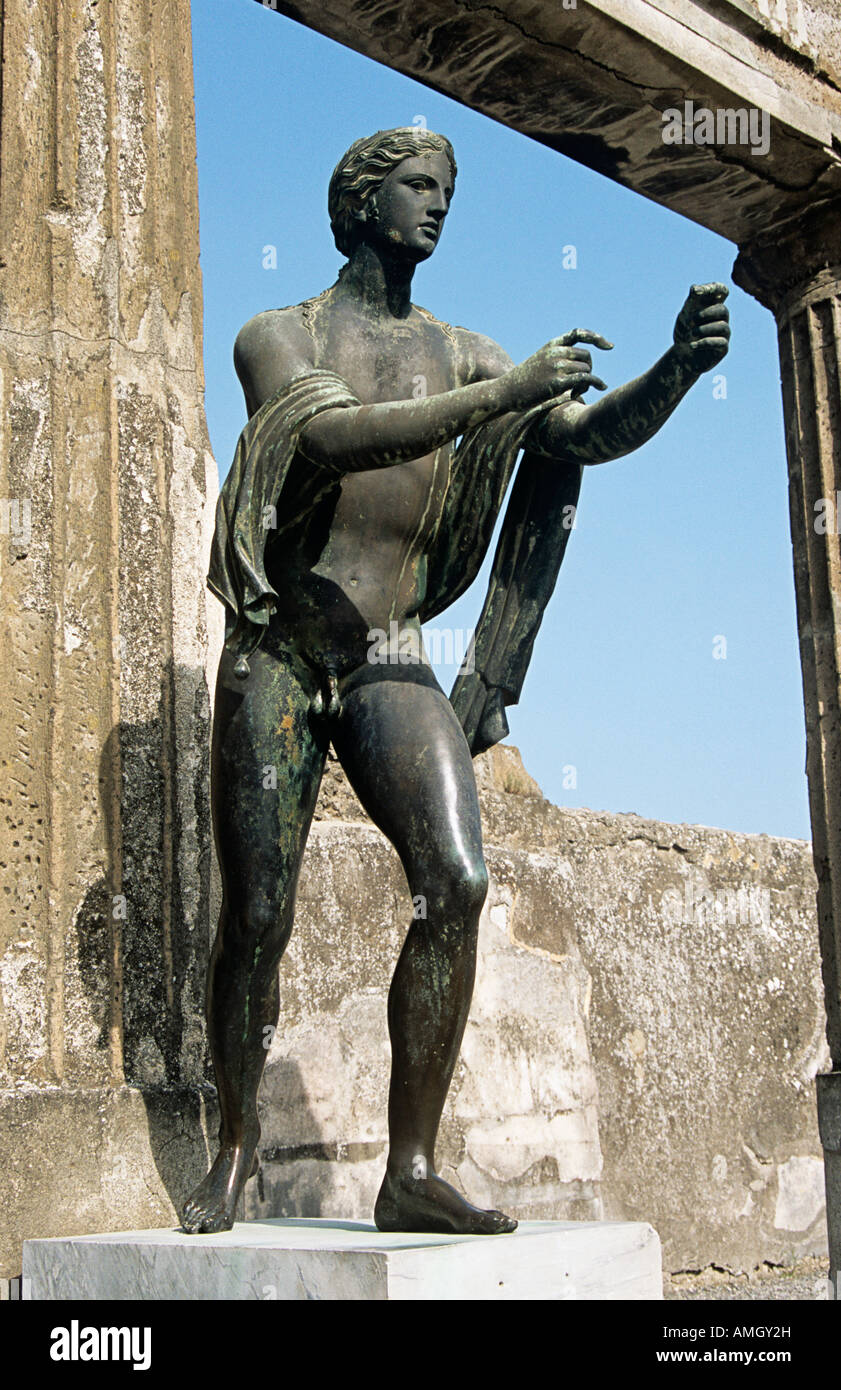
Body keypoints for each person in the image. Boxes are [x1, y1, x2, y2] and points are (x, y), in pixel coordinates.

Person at [181, 127, 730, 1235]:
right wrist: (504, 395)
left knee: (458, 877)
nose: (437, 206)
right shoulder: (274, 336)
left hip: (390, 656)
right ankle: (234, 1142)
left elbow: (573, 437)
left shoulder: (468, 351)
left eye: (447, 190)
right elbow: (334, 436)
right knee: (259, 916)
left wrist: (672, 371)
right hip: (283, 650)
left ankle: (410, 1166)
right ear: (360, 202)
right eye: (417, 187)